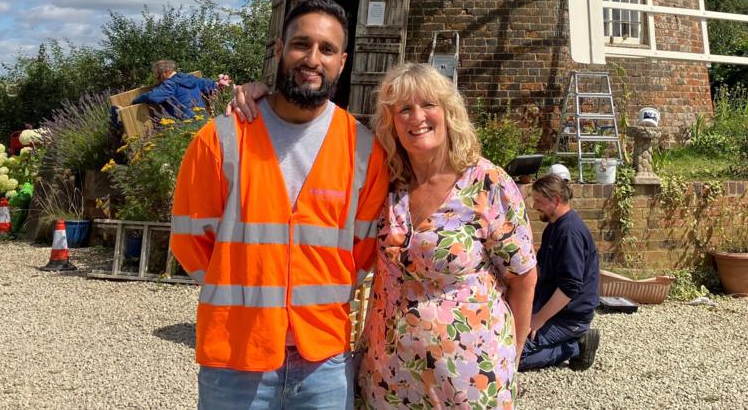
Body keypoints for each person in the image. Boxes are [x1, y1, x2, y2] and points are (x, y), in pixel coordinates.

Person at [228, 63, 538, 409]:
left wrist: (513, 352)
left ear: (450, 112)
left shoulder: (488, 184)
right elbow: (321, 138)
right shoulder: (386, 180)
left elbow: (523, 278)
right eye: (404, 109)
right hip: (388, 374)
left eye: (428, 105)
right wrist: (266, 97)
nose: (416, 117)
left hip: (468, 376)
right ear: (391, 122)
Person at [170, 0, 389, 409]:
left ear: (342, 61)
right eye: (301, 44)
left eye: (326, 49)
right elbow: (189, 241)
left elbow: (364, 252)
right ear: (279, 49)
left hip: (322, 358)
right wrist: (244, 290)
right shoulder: (221, 139)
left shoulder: (364, 150)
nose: (312, 58)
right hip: (236, 356)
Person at [519, 172, 600, 372]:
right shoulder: (553, 227)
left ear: (555, 200)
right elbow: (539, 269)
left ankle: (575, 345)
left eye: (538, 200)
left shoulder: (569, 233)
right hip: (549, 308)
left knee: (512, 358)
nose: (534, 206)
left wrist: (538, 319)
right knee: (505, 343)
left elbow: (570, 286)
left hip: (569, 318)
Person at [131, 59, 216, 119]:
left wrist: (134, 102)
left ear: (165, 73)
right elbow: (211, 84)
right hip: (203, 118)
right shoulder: (190, 78)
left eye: (158, 77)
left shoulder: (171, 84)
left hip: (186, 124)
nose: (158, 81)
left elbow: (152, 97)